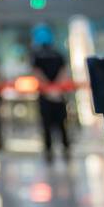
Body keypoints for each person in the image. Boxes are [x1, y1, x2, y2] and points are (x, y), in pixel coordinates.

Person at [30, 25, 72, 163]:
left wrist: (48, 88)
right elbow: (64, 71)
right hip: (57, 94)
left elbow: (36, 73)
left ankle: (49, 152)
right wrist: (55, 88)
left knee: (47, 125)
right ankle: (66, 150)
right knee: (61, 124)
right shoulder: (58, 53)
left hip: (46, 94)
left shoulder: (36, 55)